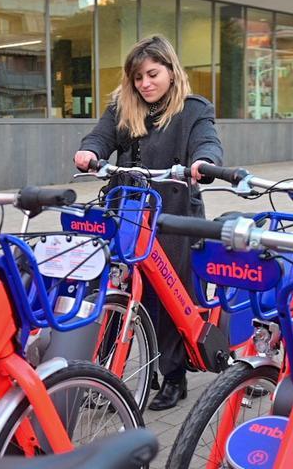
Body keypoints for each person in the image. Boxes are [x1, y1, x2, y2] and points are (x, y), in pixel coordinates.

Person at [73, 35, 223, 411]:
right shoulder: (123, 106)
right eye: (138, 77)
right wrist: (90, 151)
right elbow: (101, 136)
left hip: (172, 214)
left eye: (152, 74)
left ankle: (173, 377)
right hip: (127, 209)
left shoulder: (193, 110)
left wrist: (203, 162)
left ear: (171, 71)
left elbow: (208, 141)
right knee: (118, 285)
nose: (145, 84)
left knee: (167, 294)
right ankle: (111, 372)